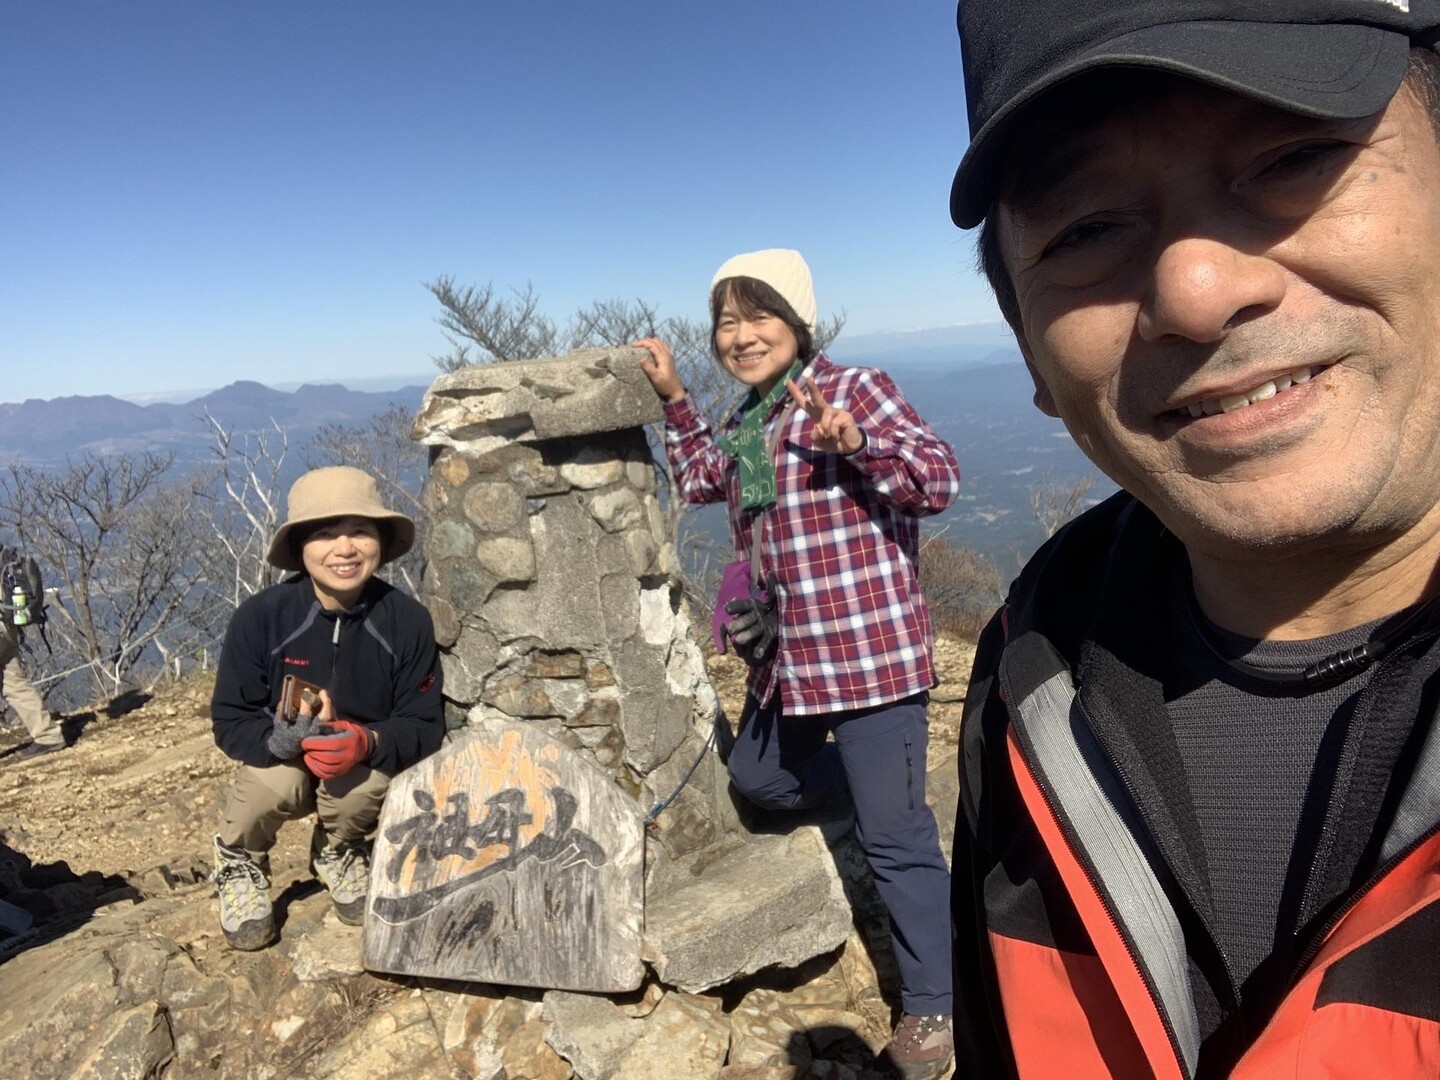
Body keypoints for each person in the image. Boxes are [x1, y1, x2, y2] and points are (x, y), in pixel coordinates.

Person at [948, 2, 1440, 1077]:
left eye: (1294, 158)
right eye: (1086, 231)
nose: (1196, 290)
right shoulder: (1034, 678)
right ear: (1029, 349)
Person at [635, 249, 962, 1080]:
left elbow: (937, 480)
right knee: (759, 780)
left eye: (759, 316)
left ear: (797, 321)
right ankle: (873, 782)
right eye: (727, 322)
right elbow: (703, 481)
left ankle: (935, 1008)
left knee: (897, 842)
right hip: (790, 662)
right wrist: (675, 398)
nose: (741, 336)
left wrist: (856, 443)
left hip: (869, 656)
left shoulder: (854, 389)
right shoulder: (750, 419)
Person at [210, 466, 443, 951]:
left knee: (368, 786)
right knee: (269, 784)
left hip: (357, 764)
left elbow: (423, 723)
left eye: (360, 531)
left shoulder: (407, 621)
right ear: (300, 547)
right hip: (284, 760)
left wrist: (368, 741)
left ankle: (339, 848)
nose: (345, 548)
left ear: (381, 540)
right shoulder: (261, 617)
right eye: (325, 534)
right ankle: (239, 860)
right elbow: (231, 717)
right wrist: (277, 741)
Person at [0, 627, 63, 760]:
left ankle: (47, 735)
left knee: (14, 685)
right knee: (15, 685)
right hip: (6, 628)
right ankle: (48, 736)